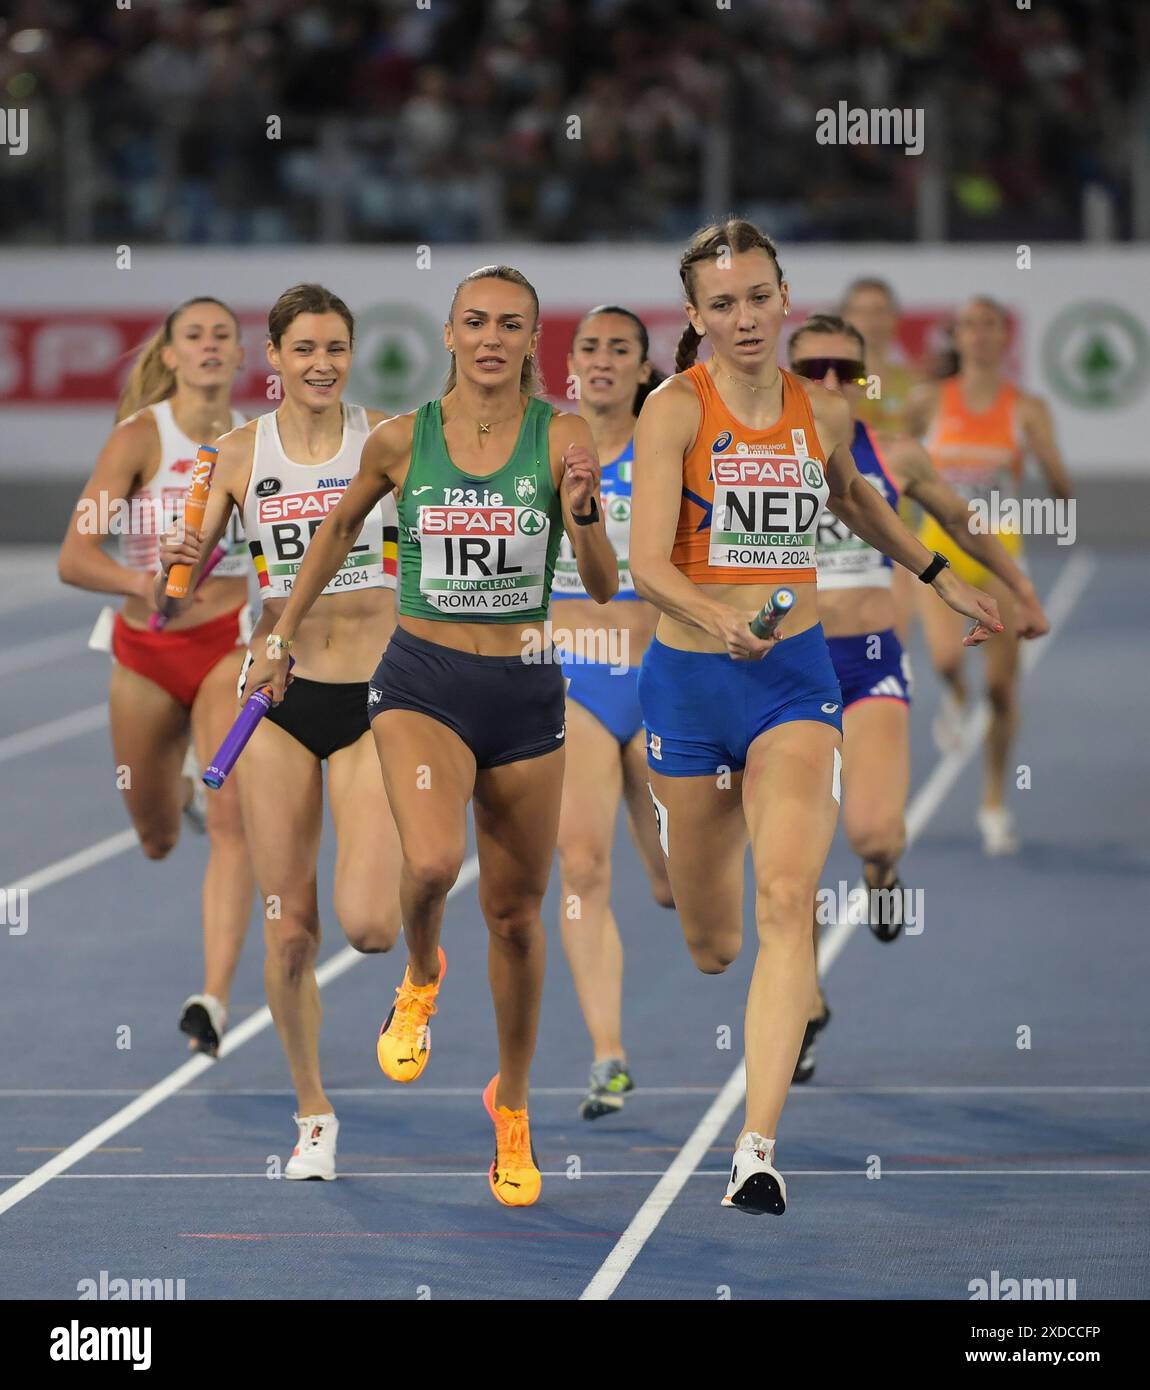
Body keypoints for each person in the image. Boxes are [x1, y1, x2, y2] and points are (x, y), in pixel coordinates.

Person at [629, 220, 1003, 1215]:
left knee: (788, 898)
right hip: (690, 687)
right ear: (698, 319)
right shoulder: (674, 411)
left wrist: (940, 573)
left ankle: (755, 1148)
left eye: (758, 297)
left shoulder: (819, 413)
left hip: (794, 682)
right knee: (710, 937)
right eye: (723, 305)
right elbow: (644, 563)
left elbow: (853, 503)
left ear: (783, 298)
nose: (744, 318)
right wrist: (713, 614)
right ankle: (673, 828)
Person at [250, 265, 618, 1207]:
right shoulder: (401, 440)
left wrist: (582, 514)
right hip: (421, 682)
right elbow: (334, 533)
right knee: (427, 867)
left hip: (527, 690)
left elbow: (606, 583)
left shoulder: (561, 435)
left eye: (511, 325)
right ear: (449, 335)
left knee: (515, 917)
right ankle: (420, 972)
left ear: (531, 340)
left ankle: (515, 1105)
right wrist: (281, 634)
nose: (491, 338)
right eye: (475, 322)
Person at [157, 283, 403, 1179]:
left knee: (372, 926)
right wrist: (178, 567)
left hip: (375, 700)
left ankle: (420, 974)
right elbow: (173, 595)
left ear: (351, 354)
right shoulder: (233, 456)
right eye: (304, 349)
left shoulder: (389, 443)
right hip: (275, 707)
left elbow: (444, 550)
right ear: (276, 360)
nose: (321, 363)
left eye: (335, 347)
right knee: (290, 928)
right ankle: (312, 1114)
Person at [785, 313, 1050, 1081]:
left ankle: (882, 876)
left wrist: (1021, 588)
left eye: (847, 370)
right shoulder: (752, 460)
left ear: (865, 382)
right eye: (815, 369)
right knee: (791, 861)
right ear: (789, 377)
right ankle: (804, 1000)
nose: (831, 383)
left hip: (868, 664)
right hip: (787, 674)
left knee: (872, 834)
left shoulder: (894, 455)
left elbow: (965, 526)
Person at [58, 296, 255, 1057]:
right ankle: (172, 793)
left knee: (232, 813)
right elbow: (75, 557)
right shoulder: (142, 439)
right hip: (145, 650)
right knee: (156, 839)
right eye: (193, 336)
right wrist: (145, 586)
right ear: (169, 356)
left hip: (226, 642)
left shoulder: (255, 442)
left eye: (221, 337)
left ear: (241, 358)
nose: (209, 347)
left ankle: (213, 999)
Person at [551, 306, 673, 1120]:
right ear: (572, 366)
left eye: (619, 349)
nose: (601, 360)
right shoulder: (539, 451)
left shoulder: (672, 451)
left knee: (675, 888)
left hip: (663, 674)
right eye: (589, 347)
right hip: (572, 675)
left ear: (641, 368)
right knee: (584, 867)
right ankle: (608, 1055)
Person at [911, 297, 1073, 855]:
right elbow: (894, 466)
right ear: (955, 336)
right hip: (938, 551)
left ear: (1005, 337)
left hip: (1000, 551)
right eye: (968, 325)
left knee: (1002, 689)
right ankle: (954, 696)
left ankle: (994, 802)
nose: (978, 335)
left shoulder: (1026, 407)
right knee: (947, 660)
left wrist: (1047, 458)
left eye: (989, 325)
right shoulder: (927, 400)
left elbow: (1062, 492)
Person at [839, 277, 920, 641]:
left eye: (879, 311)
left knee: (892, 640)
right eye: (862, 311)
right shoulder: (827, 386)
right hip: (835, 532)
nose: (871, 321)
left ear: (894, 319)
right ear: (845, 317)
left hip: (896, 529)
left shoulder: (916, 387)